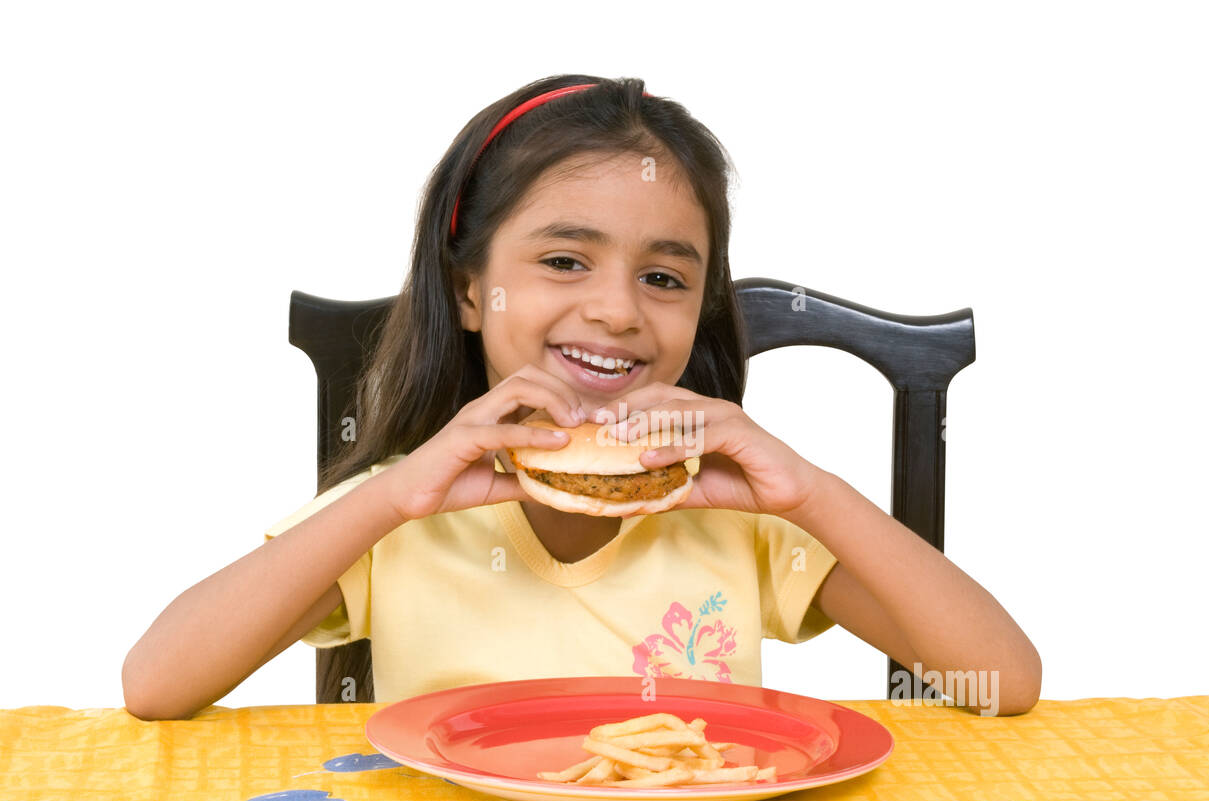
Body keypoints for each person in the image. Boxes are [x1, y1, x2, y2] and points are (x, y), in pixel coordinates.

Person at [122, 74, 1040, 721]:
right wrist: (390, 497)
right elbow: (157, 683)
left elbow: (1001, 682)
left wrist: (811, 492)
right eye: (564, 261)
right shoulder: (409, 509)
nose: (616, 311)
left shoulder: (736, 511)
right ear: (470, 291)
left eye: (666, 278)